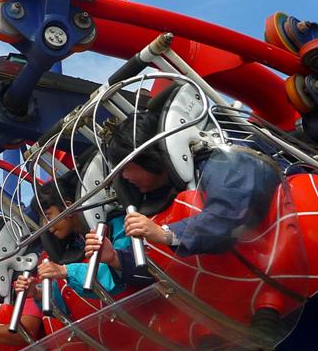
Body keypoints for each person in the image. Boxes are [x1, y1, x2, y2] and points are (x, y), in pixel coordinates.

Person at [85, 107, 282, 281]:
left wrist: (167, 234)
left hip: (281, 261)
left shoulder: (220, 163)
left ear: (150, 156)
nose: (125, 177)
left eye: (127, 167)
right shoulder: (159, 202)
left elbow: (231, 212)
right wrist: (115, 258)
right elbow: (164, 271)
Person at [24, 174, 129, 317]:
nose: (46, 227)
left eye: (48, 217)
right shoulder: (69, 250)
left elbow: (119, 271)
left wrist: (66, 271)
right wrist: (36, 293)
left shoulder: (117, 225)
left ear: (68, 207)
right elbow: (63, 308)